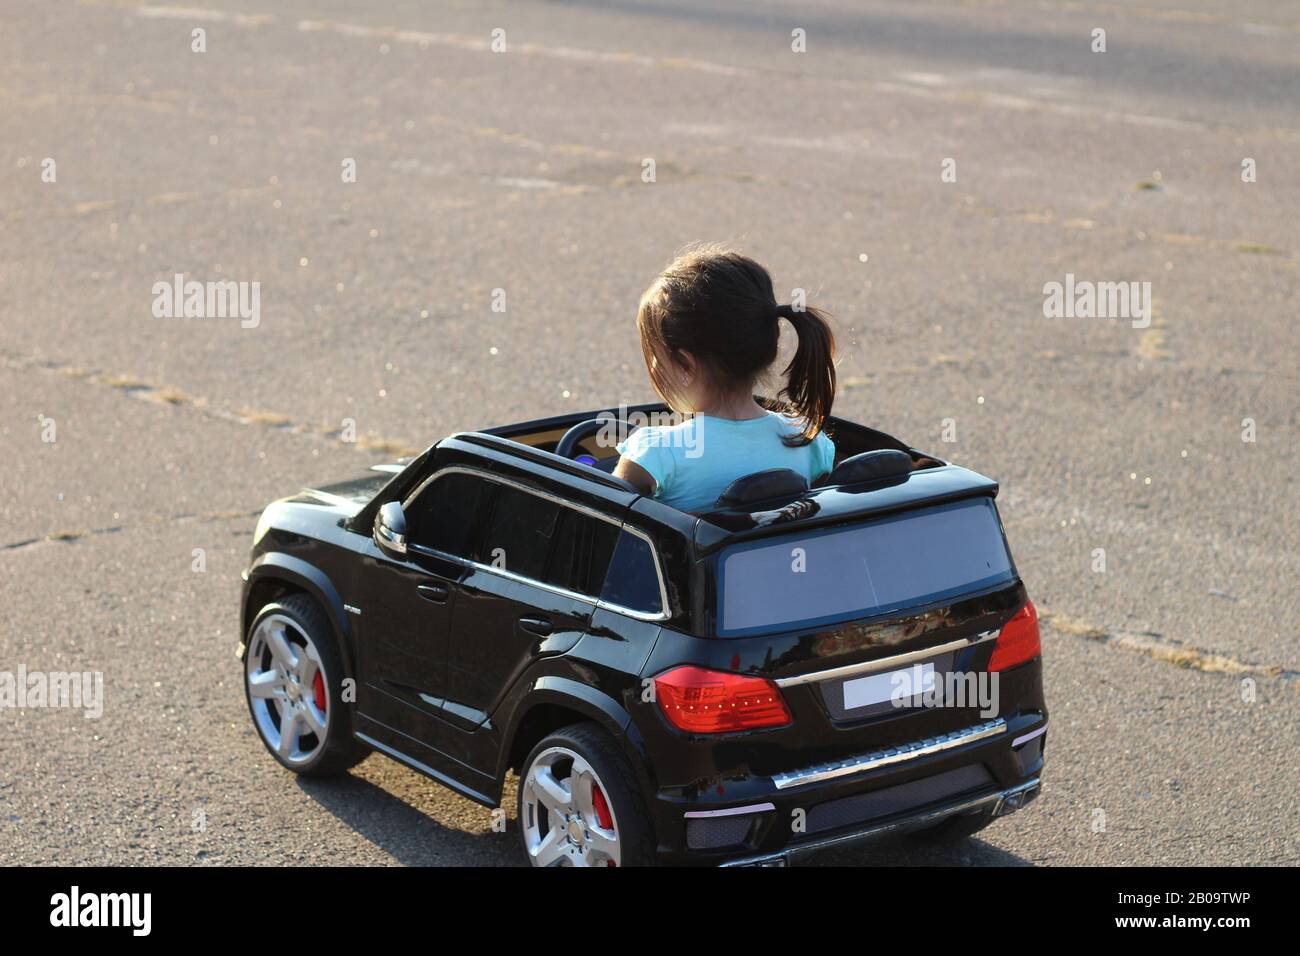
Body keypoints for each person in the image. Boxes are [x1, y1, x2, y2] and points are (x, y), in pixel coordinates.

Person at [614, 245, 838, 512]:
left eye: (654, 356)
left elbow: (605, 522)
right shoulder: (808, 439)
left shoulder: (656, 453)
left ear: (686, 364)